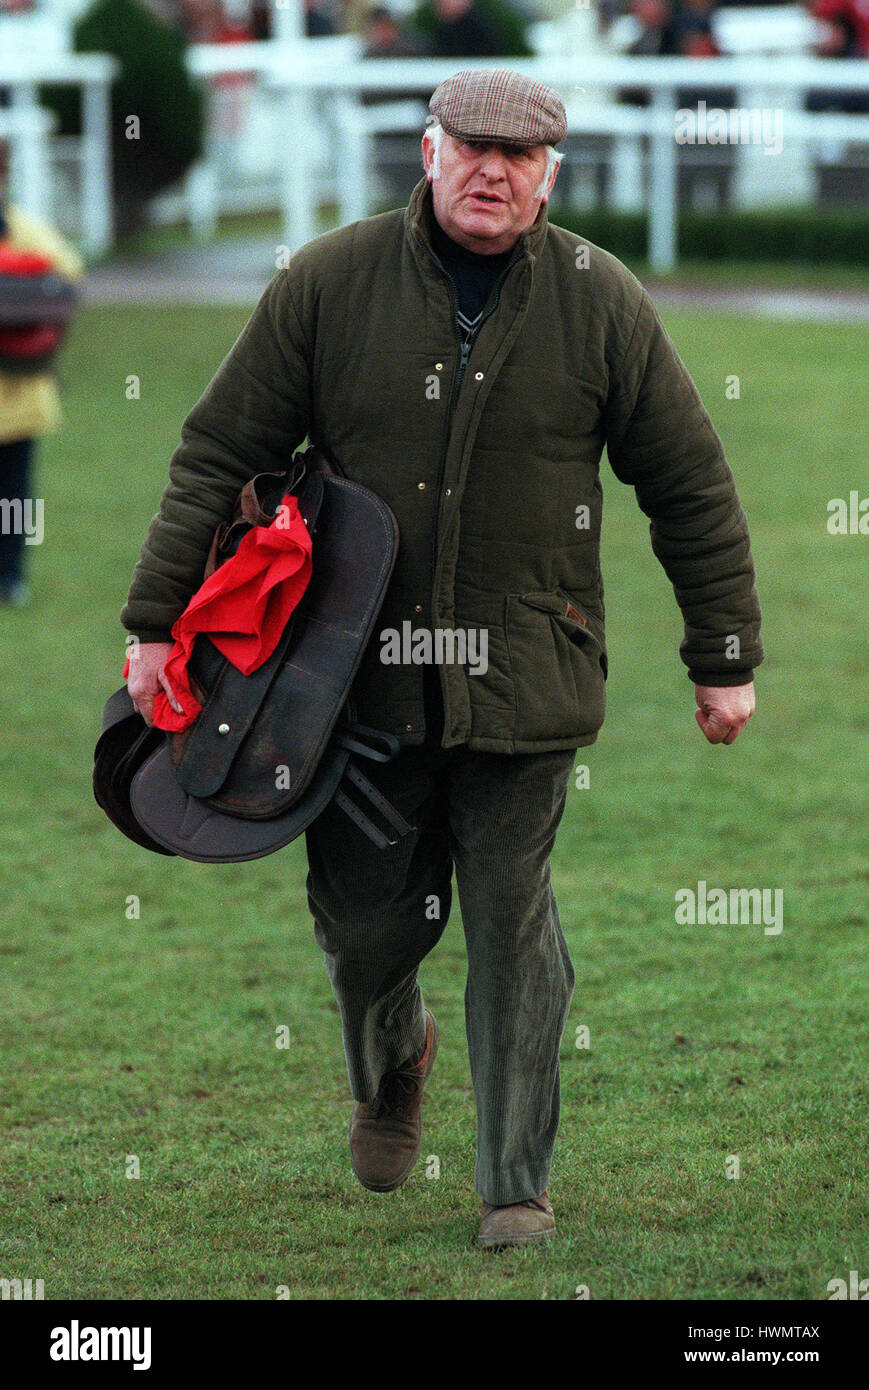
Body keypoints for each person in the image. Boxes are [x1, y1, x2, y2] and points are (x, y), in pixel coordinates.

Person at [122, 68, 763, 1250]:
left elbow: (687, 481)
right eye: (470, 147)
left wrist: (720, 652)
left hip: (530, 676)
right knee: (365, 930)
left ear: (549, 176)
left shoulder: (598, 299)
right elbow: (220, 448)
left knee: (512, 925)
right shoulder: (326, 281)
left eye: (519, 158)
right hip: (346, 689)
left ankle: (511, 1183)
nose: (492, 171)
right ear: (426, 151)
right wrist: (157, 620)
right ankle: (395, 1054)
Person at [0, 142, 84, 607]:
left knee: (14, 498)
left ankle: (11, 576)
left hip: (20, 398)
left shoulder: (27, 231)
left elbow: (68, 275)